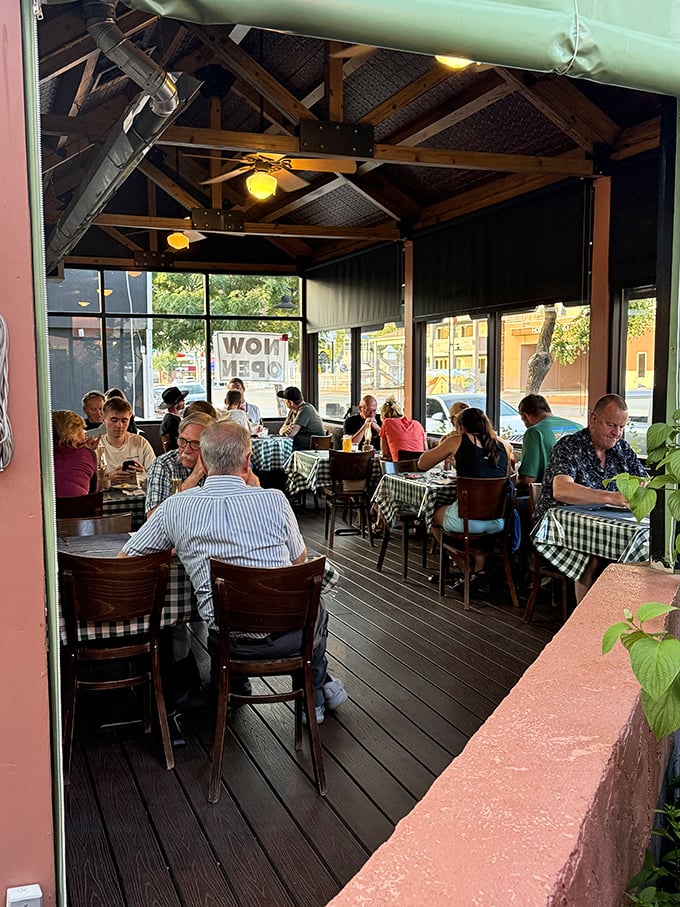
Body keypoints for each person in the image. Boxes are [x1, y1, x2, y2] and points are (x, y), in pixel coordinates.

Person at [120, 421, 347, 724]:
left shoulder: (175, 507)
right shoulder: (275, 499)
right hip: (288, 634)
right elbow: (299, 559)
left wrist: (181, 545)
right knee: (315, 604)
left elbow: (128, 558)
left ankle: (315, 691)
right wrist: (257, 489)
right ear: (247, 461)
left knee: (312, 607)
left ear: (202, 461)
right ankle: (314, 696)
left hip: (228, 638)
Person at [534, 393, 647, 601]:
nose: (617, 433)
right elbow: (562, 490)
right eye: (611, 425)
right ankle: (585, 619)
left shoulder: (622, 449)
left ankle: (619, 611)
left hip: (605, 528)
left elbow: (644, 483)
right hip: (557, 530)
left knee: (643, 552)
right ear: (593, 419)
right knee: (593, 554)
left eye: (621, 427)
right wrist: (612, 497)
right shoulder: (569, 446)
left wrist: (642, 489)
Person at [427, 406, 513, 534]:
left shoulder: (457, 440)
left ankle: (449, 547)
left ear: (461, 427)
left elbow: (422, 464)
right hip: (499, 522)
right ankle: (467, 546)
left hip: (466, 522)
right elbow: (508, 475)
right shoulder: (503, 445)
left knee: (431, 512)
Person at [516, 394, 581, 486]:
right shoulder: (579, 427)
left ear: (526, 416)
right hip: (582, 490)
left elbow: (528, 479)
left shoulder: (534, 432)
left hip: (553, 491)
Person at [99, 396, 155, 484]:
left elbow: (155, 475)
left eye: (124, 421)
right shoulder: (97, 447)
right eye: (114, 420)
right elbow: (89, 481)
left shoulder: (140, 442)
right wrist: (109, 478)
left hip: (137, 491)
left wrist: (142, 475)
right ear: (103, 420)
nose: (119, 425)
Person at [52, 410, 98, 497]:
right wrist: (88, 452)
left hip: (51, 505)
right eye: (82, 430)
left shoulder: (45, 455)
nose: (85, 435)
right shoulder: (87, 454)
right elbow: (93, 491)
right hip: (80, 504)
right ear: (76, 432)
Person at [277, 386, 325, 450]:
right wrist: (285, 429)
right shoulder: (293, 410)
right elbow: (280, 431)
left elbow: (291, 434)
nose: (284, 402)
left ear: (291, 402)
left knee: (280, 449)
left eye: (285, 400)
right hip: (300, 446)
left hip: (312, 448)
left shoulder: (305, 409)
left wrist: (286, 429)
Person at [159, 386, 188, 450]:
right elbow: (177, 443)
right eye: (182, 400)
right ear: (176, 404)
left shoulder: (168, 419)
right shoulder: (174, 422)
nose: (184, 401)